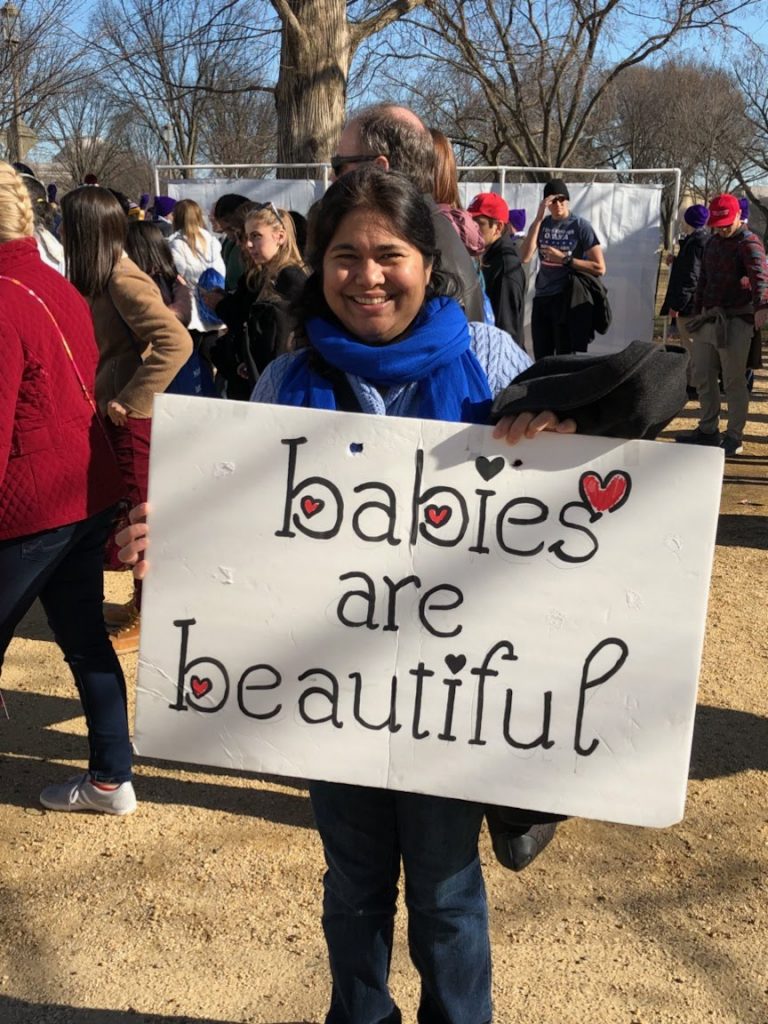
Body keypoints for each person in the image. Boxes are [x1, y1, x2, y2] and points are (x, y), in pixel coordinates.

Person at [117, 165, 576, 1024]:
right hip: (333, 695)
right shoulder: (288, 381)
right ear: (318, 262)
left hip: (452, 694)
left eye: (389, 254)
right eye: (345, 255)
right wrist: (178, 538)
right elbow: (247, 523)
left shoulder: (490, 359)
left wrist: (558, 433)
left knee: (446, 894)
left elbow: (617, 429)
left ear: (426, 261)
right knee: (353, 886)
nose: (367, 275)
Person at [0, 161, 135, 815]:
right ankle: (112, 776)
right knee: (84, 639)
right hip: (82, 490)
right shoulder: (55, 285)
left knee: (83, 638)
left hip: (30, 506)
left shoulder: (3, 297)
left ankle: (113, 777)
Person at [60, 185, 193, 654]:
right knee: (132, 514)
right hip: (119, 413)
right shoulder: (104, 274)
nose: (61, 232)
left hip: (136, 418)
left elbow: (176, 343)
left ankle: (153, 613)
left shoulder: (122, 276)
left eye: (68, 225)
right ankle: (142, 604)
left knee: (143, 513)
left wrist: (131, 400)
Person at [332, 103, 486, 322]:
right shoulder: (427, 231)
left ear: (378, 169)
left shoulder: (428, 250)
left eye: (339, 165)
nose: (332, 178)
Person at [677, 192, 768, 457]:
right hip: (709, 318)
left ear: (739, 216)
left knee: (733, 381)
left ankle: (734, 436)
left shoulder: (750, 242)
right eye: (718, 225)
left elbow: (760, 276)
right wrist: (697, 311)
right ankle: (708, 430)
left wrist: (762, 306)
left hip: (737, 321)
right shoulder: (713, 243)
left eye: (727, 223)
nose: (723, 229)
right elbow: (703, 278)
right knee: (703, 374)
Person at [206, 202, 306, 398]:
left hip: (284, 389)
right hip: (260, 383)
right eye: (247, 236)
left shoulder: (291, 278)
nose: (249, 244)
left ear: (280, 236)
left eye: (256, 236)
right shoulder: (264, 276)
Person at [521, 179, 606, 359]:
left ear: (567, 200)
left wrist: (565, 259)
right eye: (553, 200)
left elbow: (599, 267)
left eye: (562, 199)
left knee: (564, 359)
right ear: (546, 203)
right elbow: (525, 256)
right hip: (542, 297)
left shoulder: (580, 226)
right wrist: (537, 218)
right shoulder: (542, 224)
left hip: (566, 299)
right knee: (542, 358)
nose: (558, 204)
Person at [660, 204, 710, 387]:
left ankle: (694, 384)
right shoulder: (698, 241)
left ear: (690, 222)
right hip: (694, 303)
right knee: (691, 345)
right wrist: (677, 260)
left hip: (689, 306)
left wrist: (678, 305)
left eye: (684, 219)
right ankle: (692, 382)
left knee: (691, 346)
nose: (681, 223)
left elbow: (691, 277)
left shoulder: (696, 243)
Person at [467, 191, 526, 346]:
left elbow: (506, 333)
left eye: (478, 223)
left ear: (498, 227)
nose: (472, 229)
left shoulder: (505, 267)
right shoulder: (485, 256)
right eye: (470, 222)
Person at [168, 198, 225, 337]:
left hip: (189, 308)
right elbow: (221, 272)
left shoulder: (175, 244)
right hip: (213, 304)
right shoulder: (212, 242)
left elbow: (176, 275)